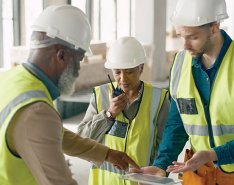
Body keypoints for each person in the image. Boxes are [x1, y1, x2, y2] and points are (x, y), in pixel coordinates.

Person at [0, 5, 139, 185]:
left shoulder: (10, 79)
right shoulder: (36, 111)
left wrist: (107, 153)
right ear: (61, 55)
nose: (78, 69)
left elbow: (53, 133)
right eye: (79, 60)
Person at [130, 0, 234, 184]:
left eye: (193, 37)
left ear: (214, 28)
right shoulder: (180, 63)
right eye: (181, 36)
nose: (184, 45)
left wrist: (214, 154)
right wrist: (162, 164)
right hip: (200, 173)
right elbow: (177, 122)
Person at [77, 36, 170, 185]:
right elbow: (82, 138)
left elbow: (166, 145)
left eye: (129, 72)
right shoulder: (100, 96)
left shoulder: (158, 99)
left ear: (141, 68)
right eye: (117, 72)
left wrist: (159, 173)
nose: (123, 79)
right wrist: (109, 114)